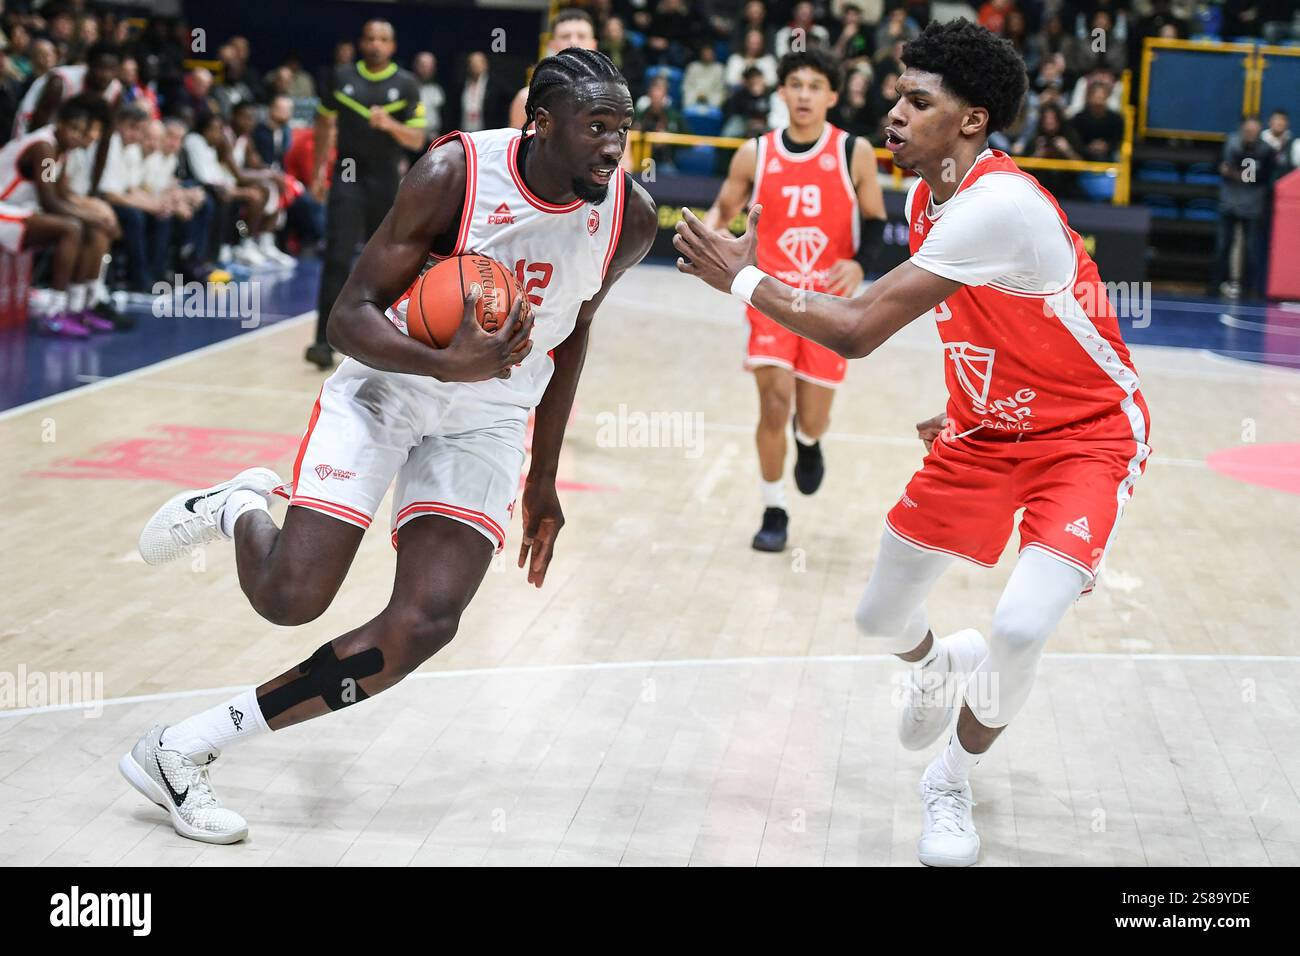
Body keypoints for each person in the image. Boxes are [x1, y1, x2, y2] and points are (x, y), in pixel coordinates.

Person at [124, 47, 656, 845]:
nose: (613, 147)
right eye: (596, 127)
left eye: (623, 128)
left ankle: (184, 749)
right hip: (388, 385)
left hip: (492, 416)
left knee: (425, 622)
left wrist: (545, 478)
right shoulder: (455, 174)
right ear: (539, 123)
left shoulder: (628, 216)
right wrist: (444, 361)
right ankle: (238, 507)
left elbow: (573, 332)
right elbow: (349, 315)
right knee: (289, 599)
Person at [673, 19, 1151, 867]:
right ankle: (934, 663)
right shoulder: (927, 192)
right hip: (986, 426)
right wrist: (965, 399)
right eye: (896, 95)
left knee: (1021, 625)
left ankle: (952, 778)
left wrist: (738, 277)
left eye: (915, 101)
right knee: (879, 615)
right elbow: (983, 315)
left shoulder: (997, 204)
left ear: (971, 120)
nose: (890, 113)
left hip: (1085, 434)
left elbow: (855, 331)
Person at [704, 47, 885, 552]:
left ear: (831, 94)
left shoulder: (854, 151)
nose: (804, 94)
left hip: (829, 305)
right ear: (782, 92)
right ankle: (773, 508)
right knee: (773, 401)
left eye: (814, 86)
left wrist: (859, 264)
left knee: (811, 417)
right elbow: (723, 207)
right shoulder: (754, 153)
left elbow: (873, 220)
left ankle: (809, 444)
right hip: (770, 295)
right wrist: (704, 239)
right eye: (795, 85)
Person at [307, 20, 425, 370]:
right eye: (370, 38)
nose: (375, 44)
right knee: (337, 258)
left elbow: (417, 139)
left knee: (386, 263)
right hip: (347, 177)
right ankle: (322, 343)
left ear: (392, 46)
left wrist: (389, 124)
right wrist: (316, 172)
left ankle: (381, 343)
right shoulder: (341, 77)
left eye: (383, 39)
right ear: (362, 42)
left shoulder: (406, 84)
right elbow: (324, 125)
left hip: (385, 181)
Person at [0, 95, 123, 337]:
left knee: (95, 228)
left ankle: (79, 306)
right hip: (4, 207)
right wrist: (91, 217)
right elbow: (50, 202)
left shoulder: (59, 150)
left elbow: (62, 195)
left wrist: (97, 216)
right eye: (73, 129)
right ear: (60, 124)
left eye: (82, 131)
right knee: (72, 228)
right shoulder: (44, 148)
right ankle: (53, 312)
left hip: (17, 211)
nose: (77, 136)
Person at [1210, 115, 1275, 300]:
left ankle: (1251, 289)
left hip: (1252, 205)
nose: (1251, 135)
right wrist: (1231, 172)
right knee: (1222, 246)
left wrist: (1233, 173)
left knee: (1251, 250)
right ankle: (1215, 286)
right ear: (1242, 130)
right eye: (1248, 131)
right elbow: (1216, 165)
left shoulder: (1266, 150)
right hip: (1229, 202)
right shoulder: (1230, 143)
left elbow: (1262, 177)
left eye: (1254, 132)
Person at [508, 7, 598, 130]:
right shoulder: (526, 98)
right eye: (565, 36)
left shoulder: (612, 99)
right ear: (552, 45)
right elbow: (516, 147)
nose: (573, 42)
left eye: (581, 36)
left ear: (593, 44)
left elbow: (620, 149)